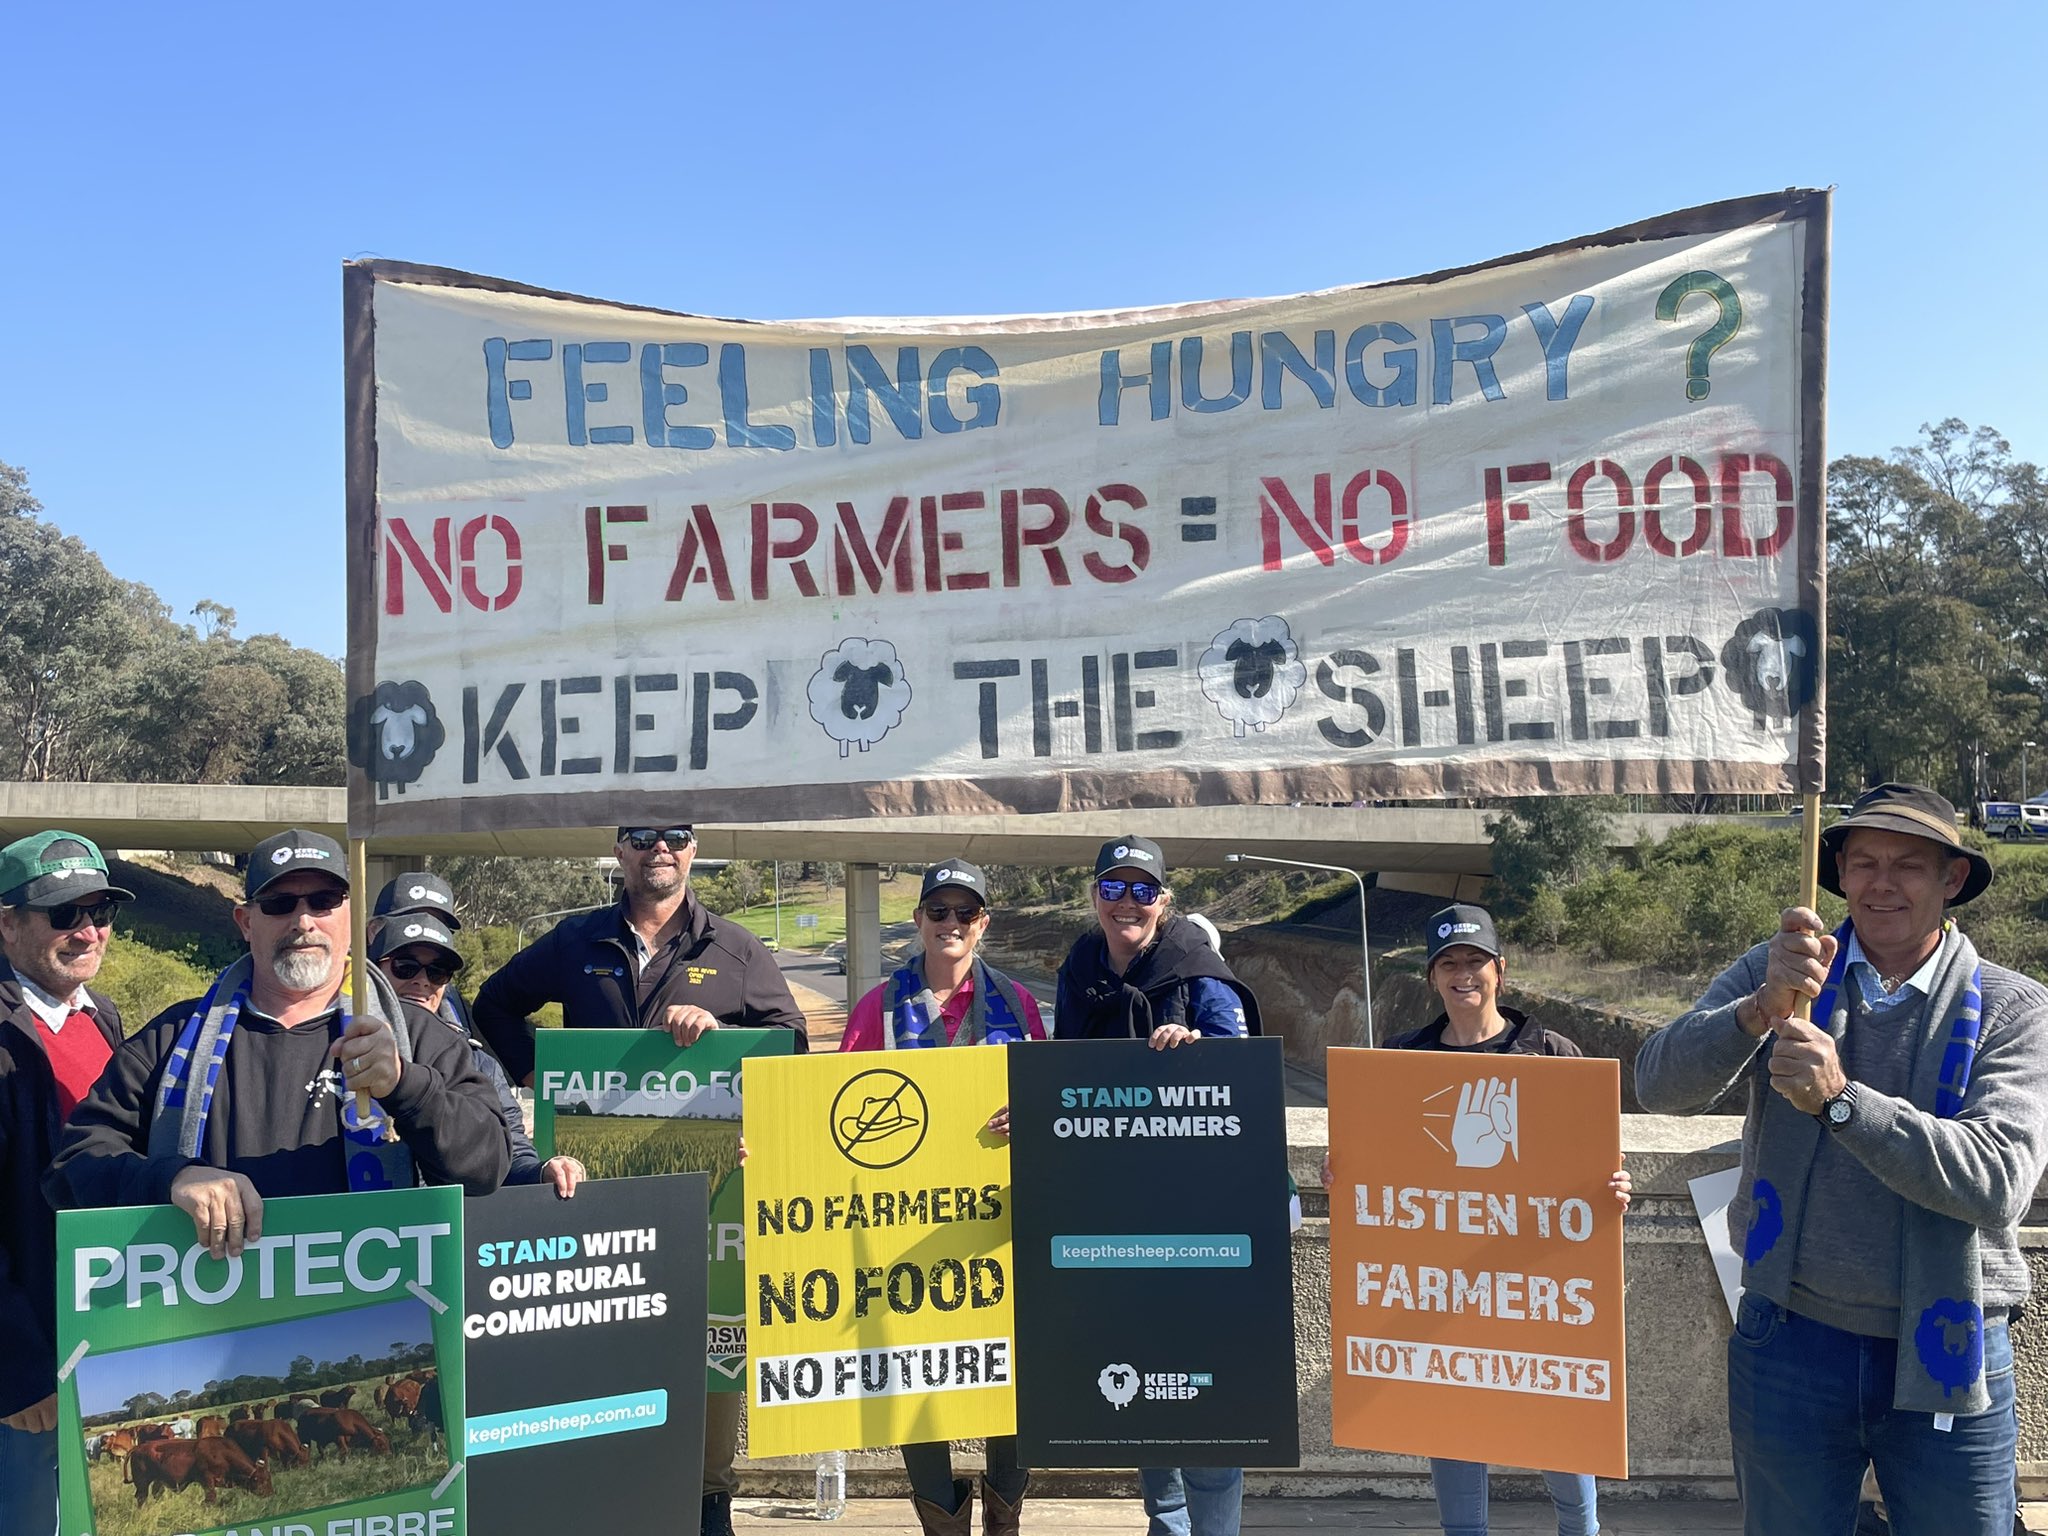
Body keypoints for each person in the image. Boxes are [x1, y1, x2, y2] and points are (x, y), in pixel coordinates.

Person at [1636, 783, 2048, 1536]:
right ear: (1839, 874)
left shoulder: (2012, 1006)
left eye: (1909, 866)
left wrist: (1841, 1101)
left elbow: (1998, 1180)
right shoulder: (1781, 971)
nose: (1881, 883)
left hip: (1948, 1342)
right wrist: (1757, 1011)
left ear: (1952, 880)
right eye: (1863, 863)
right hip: (1789, 1334)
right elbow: (1658, 1082)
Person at [472, 822, 808, 1536]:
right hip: (601, 1190)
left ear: (693, 850)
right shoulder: (576, 939)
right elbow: (493, 1006)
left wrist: (723, 1045)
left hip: (713, 1193)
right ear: (620, 849)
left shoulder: (737, 948)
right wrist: (542, 1076)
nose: (661, 847)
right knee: (612, 1341)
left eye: (676, 836)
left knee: (710, 1352)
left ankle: (711, 1503)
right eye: (643, 835)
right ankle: (614, 1494)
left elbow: (792, 1048)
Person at [46, 828, 510, 1246]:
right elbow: (74, 1166)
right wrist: (172, 1177)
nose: (303, 921)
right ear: (246, 923)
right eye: (280, 903)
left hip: (368, 1316)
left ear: (350, 920)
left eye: (323, 901)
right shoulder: (172, 1037)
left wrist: (407, 1087)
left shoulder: (415, 1035)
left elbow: (487, 1167)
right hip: (209, 1317)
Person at [1379, 905, 1630, 1536]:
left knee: (1558, 1416)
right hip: (1446, 1278)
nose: (1463, 975)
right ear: (1432, 976)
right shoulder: (1401, 1060)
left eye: (1475, 961)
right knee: (1453, 1413)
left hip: (1535, 1276)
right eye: (1449, 963)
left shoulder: (1553, 1052)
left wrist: (1613, 1187)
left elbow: (1595, 1159)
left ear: (1500, 970)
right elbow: (1379, 1164)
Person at [1054, 836, 1258, 1536]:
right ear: (1094, 898)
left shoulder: (1199, 973)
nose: (1127, 903)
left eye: (1143, 890)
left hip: (1199, 1215)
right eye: (1113, 888)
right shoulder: (1079, 969)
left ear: (1164, 902)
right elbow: (1067, 1077)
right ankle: (1166, 1525)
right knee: (1136, 1381)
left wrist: (1199, 1056)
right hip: (1113, 1211)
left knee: (1203, 1391)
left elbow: (1240, 1084)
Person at [840, 859, 1045, 1536]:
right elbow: (837, 1115)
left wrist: (1033, 1111)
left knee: (1011, 1380)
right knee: (914, 1382)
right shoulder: (879, 1007)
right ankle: (942, 1523)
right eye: (938, 912)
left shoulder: (1018, 1005)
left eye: (965, 913)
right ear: (918, 920)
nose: (951, 924)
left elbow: (1054, 1102)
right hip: (905, 1226)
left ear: (983, 923)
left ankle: (1004, 1521)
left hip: (1001, 1224)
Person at [0, 832, 132, 1533]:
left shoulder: (101, 1016)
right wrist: (15, 1368)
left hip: (93, 1338)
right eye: (62, 914)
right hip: (26, 1368)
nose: (87, 930)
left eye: (101, 910)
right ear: (8, 923)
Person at [370, 914, 583, 1198]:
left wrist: (542, 1171)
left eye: (438, 971)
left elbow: (511, 1154)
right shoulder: (338, 1047)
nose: (422, 981)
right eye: (405, 967)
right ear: (374, 971)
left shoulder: (480, 1064)